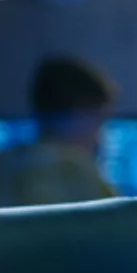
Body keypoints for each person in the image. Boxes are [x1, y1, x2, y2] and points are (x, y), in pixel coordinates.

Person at [0, 56, 117, 207]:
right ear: (81, 114)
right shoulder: (79, 174)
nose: (100, 138)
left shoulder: (6, 165)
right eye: (100, 121)